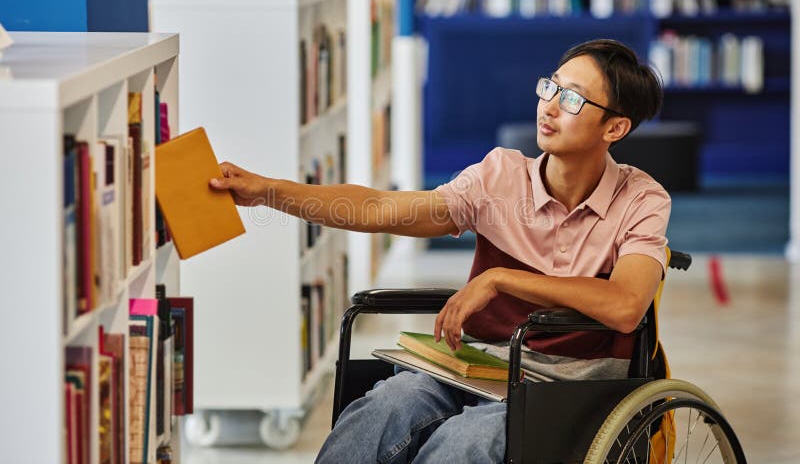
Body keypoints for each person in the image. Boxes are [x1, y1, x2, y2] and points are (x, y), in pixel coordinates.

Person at [209, 39, 670, 463]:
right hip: (476, 366)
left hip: (566, 394)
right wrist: (268, 191)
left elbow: (627, 306)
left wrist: (500, 279)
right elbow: (380, 208)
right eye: (550, 87)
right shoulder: (499, 177)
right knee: (380, 411)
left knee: (463, 444)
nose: (548, 106)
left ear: (616, 126)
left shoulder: (641, 200)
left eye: (571, 99)